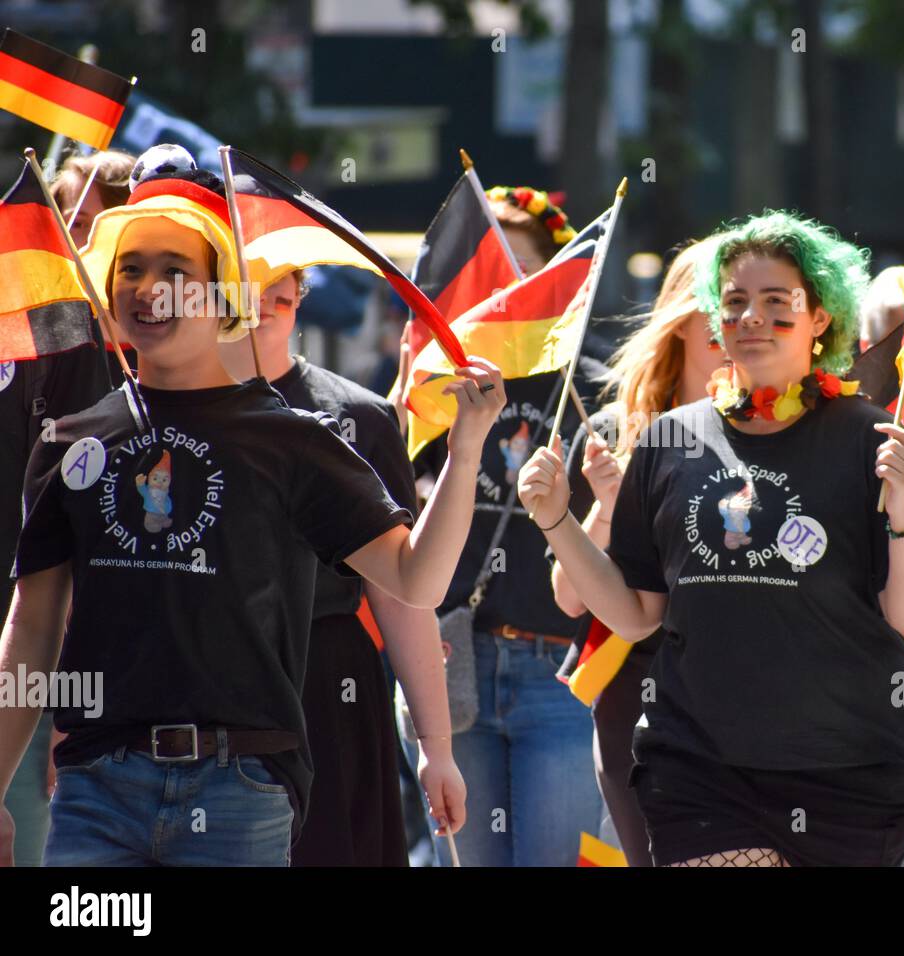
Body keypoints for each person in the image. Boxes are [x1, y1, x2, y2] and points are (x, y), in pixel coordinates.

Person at [0, 146, 503, 867]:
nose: (149, 289)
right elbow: (33, 625)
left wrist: (466, 450)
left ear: (221, 294)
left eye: (176, 270)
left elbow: (416, 582)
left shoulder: (290, 440)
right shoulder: (71, 440)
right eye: (131, 268)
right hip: (94, 795)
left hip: (239, 795)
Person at [520, 211, 904, 867]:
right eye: (734, 303)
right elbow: (635, 615)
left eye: (776, 303)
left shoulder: (875, 442)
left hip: (849, 776)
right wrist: (556, 522)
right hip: (702, 774)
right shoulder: (667, 439)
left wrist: (902, 512)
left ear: (820, 318)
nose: (751, 319)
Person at [219, 270, 464, 865]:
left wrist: (436, 745)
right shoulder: (157, 413)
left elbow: (403, 592)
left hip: (328, 689)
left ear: (302, 291)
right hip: (204, 684)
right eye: (246, 276)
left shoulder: (360, 417)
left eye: (285, 280)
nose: (267, 295)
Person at [410, 185, 605, 867]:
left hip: (558, 676)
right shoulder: (433, 386)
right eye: (490, 281)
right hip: (453, 664)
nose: (505, 298)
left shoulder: (598, 391)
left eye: (523, 277)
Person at [549, 240, 725, 866]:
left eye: (758, 308)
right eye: (722, 305)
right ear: (681, 318)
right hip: (638, 693)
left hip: (748, 688)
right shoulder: (613, 433)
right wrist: (604, 505)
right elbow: (569, 597)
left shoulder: (780, 432)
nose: (737, 325)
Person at [0, 149, 136, 867]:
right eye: (59, 221)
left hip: (48, 675)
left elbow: (87, 538)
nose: (69, 240)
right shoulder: (20, 339)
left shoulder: (120, 366)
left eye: (87, 223)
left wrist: (67, 706)